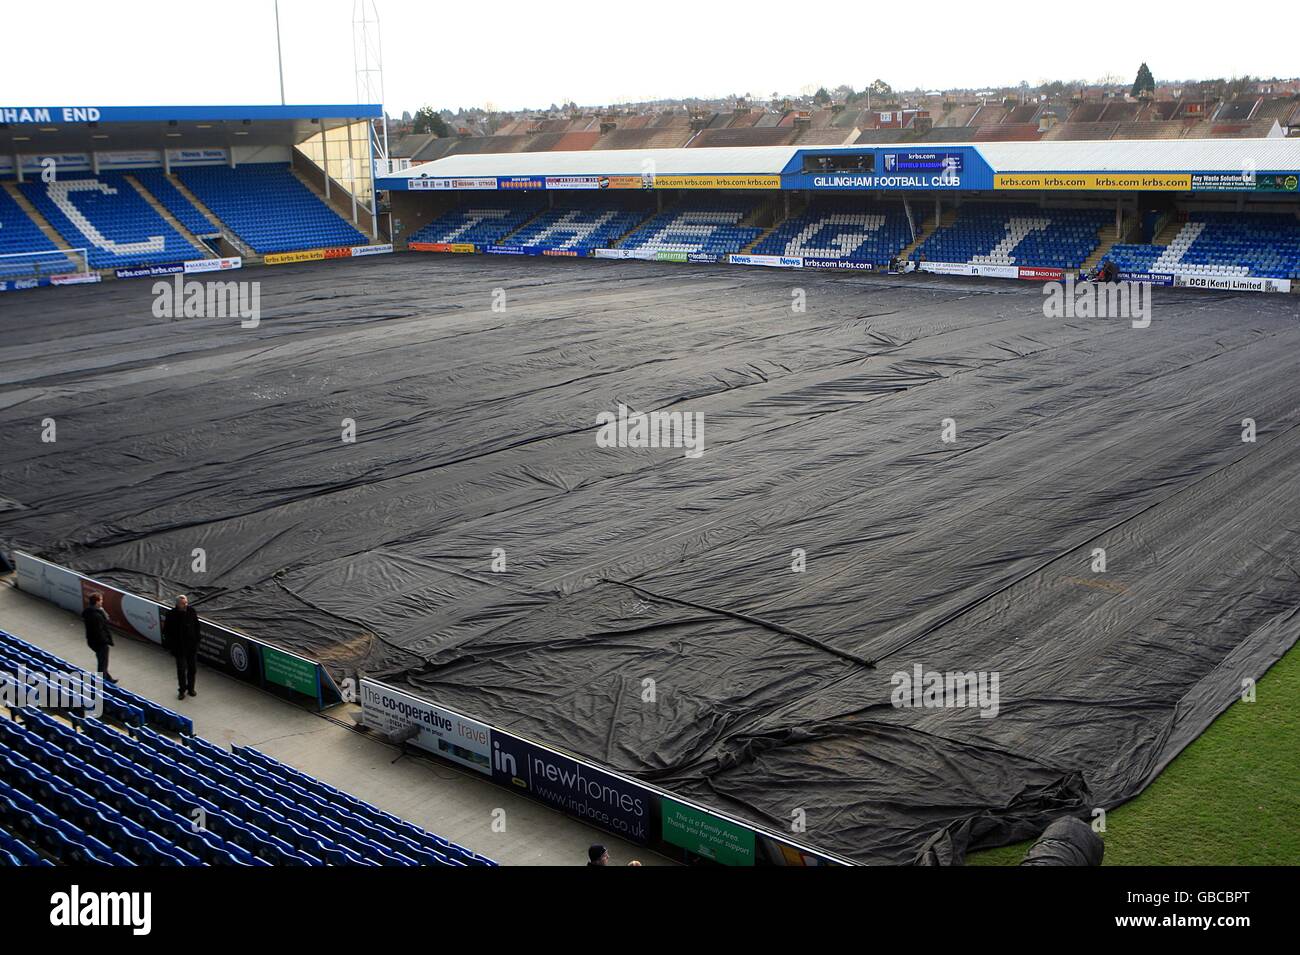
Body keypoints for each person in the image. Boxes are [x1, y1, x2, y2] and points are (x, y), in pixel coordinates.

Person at [163, 594, 201, 700]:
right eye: (183, 604)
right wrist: (171, 645)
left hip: (191, 647)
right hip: (179, 648)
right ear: (177, 604)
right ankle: (182, 690)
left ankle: (191, 688)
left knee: (192, 669)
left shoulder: (191, 611)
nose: (185, 605)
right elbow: (167, 631)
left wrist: (197, 641)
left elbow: (197, 626)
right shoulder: (171, 615)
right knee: (181, 670)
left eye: (186, 603)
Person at [82, 592, 115, 683]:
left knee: (102, 660)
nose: (102, 602)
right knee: (102, 663)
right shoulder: (96, 616)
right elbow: (100, 630)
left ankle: (108, 678)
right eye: (101, 600)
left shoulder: (89, 612)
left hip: (92, 641)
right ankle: (102, 683)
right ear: (96, 602)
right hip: (100, 643)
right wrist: (106, 641)